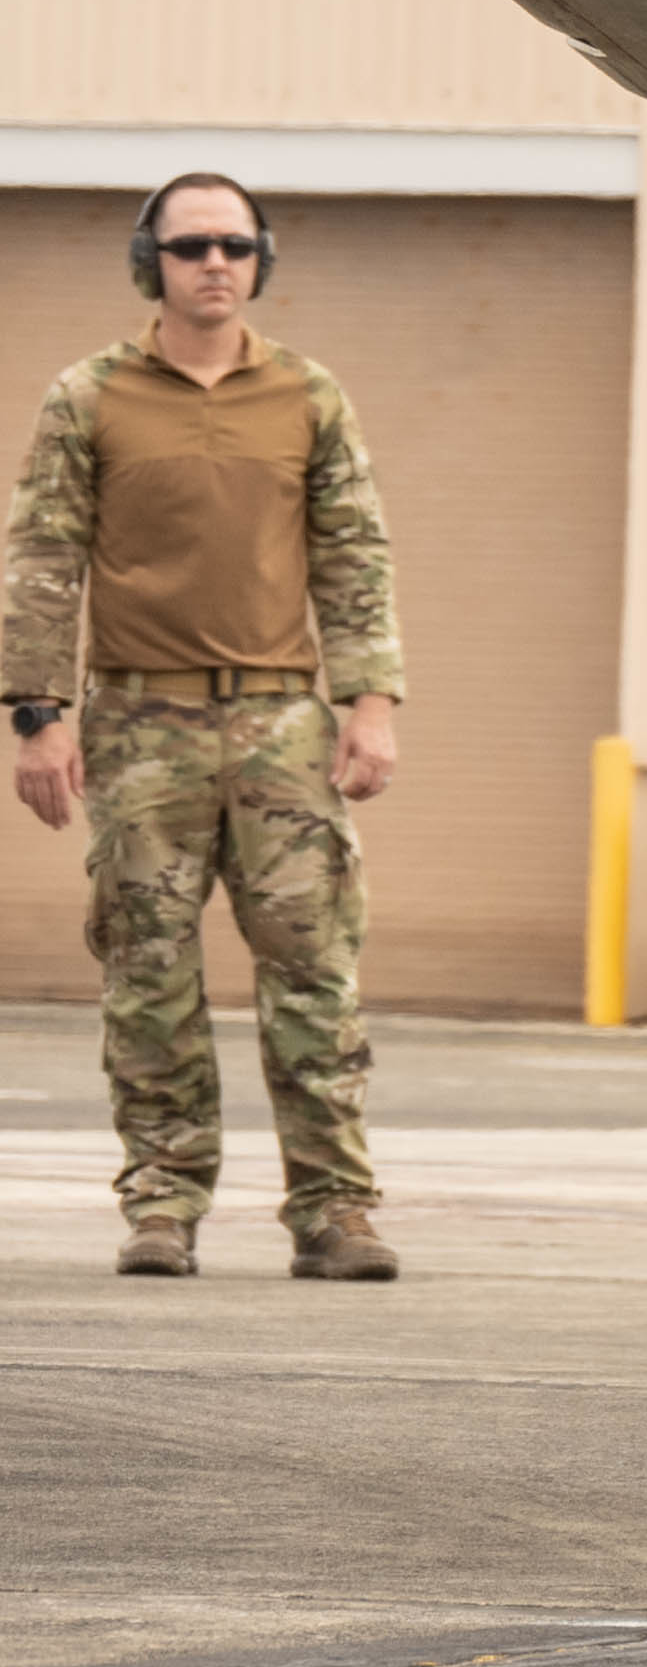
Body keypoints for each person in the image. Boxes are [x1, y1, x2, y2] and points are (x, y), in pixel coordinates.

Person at [4, 174, 407, 1281]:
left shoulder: (307, 395)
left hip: (281, 718)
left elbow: (352, 552)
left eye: (234, 244)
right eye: (191, 247)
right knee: (148, 969)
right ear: (154, 263)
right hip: (139, 718)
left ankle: (335, 1212)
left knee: (314, 968)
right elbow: (42, 553)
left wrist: (369, 702)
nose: (214, 263)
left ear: (260, 259)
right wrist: (38, 713)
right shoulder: (90, 396)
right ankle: (163, 1204)